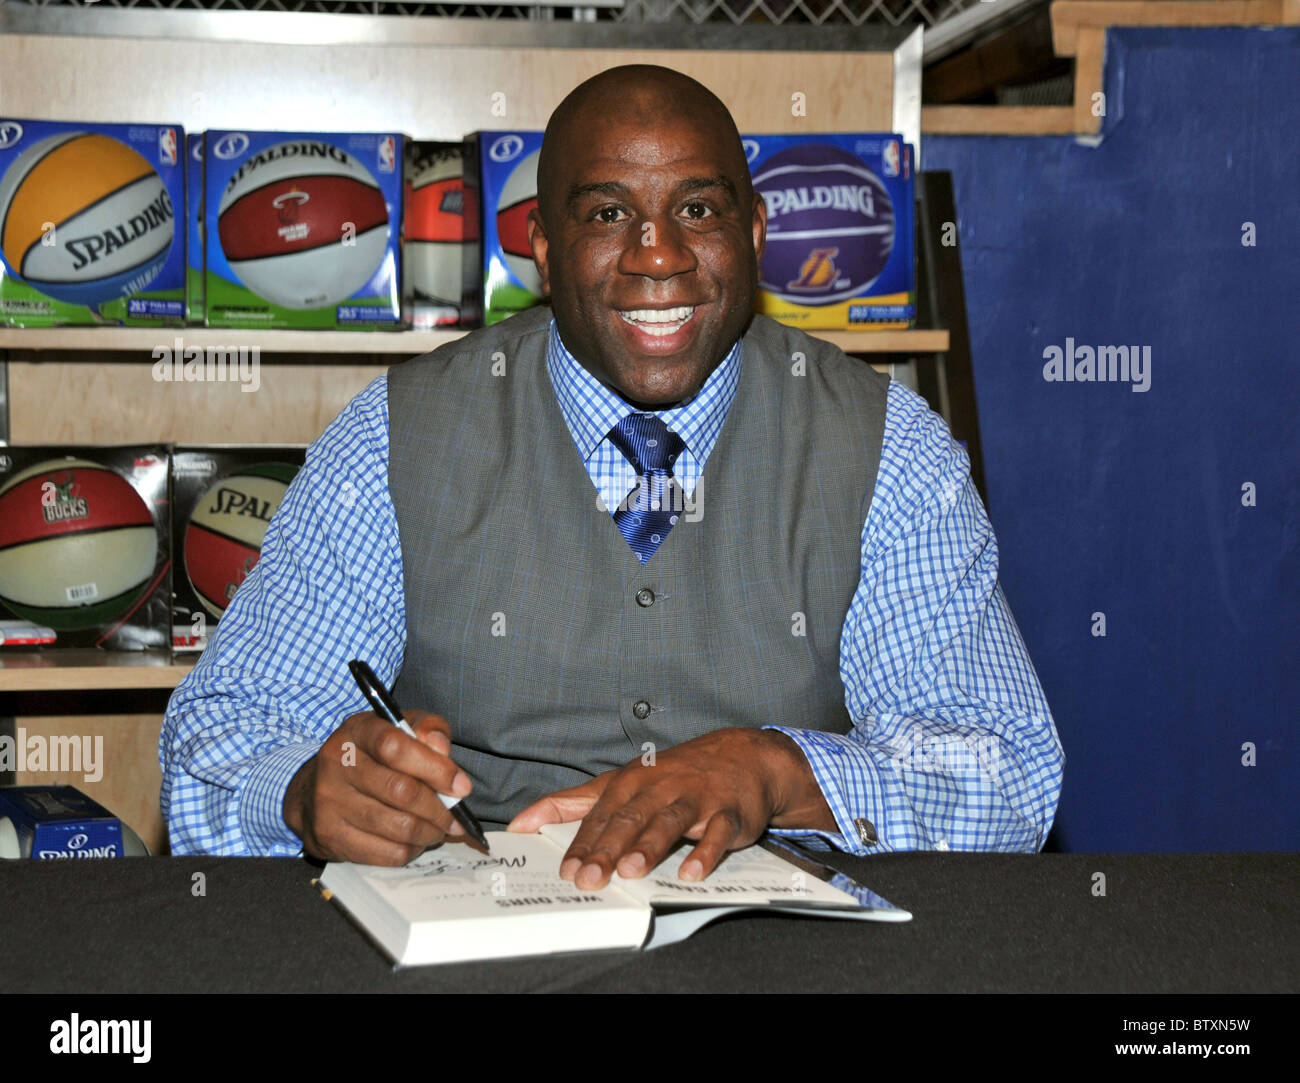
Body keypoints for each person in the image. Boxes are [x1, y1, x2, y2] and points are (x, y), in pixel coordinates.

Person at [161, 65, 1063, 890]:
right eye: (606, 215)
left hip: (784, 958)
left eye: (699, 210)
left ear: (754, 233)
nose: (658, 254)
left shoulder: (888, 448)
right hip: (478, 941)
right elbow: (216, 740)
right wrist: (305, 790)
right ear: (544, 250)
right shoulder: (391, 440)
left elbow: (1005, 773)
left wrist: (777, 770)